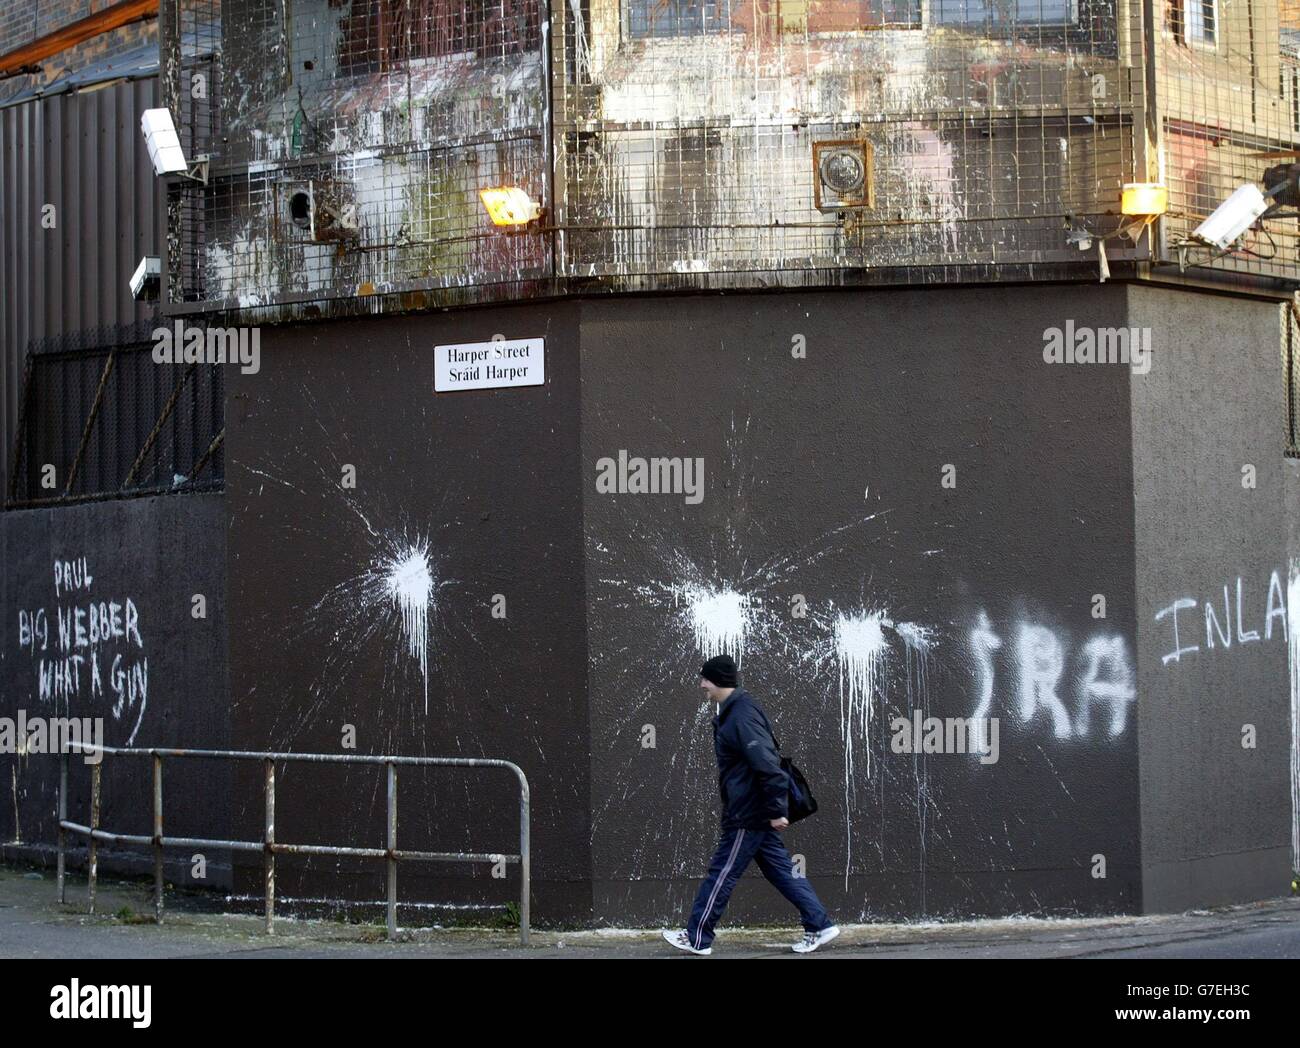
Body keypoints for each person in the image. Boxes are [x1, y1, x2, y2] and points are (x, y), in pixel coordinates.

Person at [663, 654, 840, 955]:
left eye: (705, 678)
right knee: (782, 871)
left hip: (748, 813)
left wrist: (776, 811)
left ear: (718, 680)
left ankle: (697, 937)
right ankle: (819, 925)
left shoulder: (741, 715)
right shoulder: (734, 711)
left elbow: (768, 765)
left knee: (722, 872)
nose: (702, 684)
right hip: (751, 810)